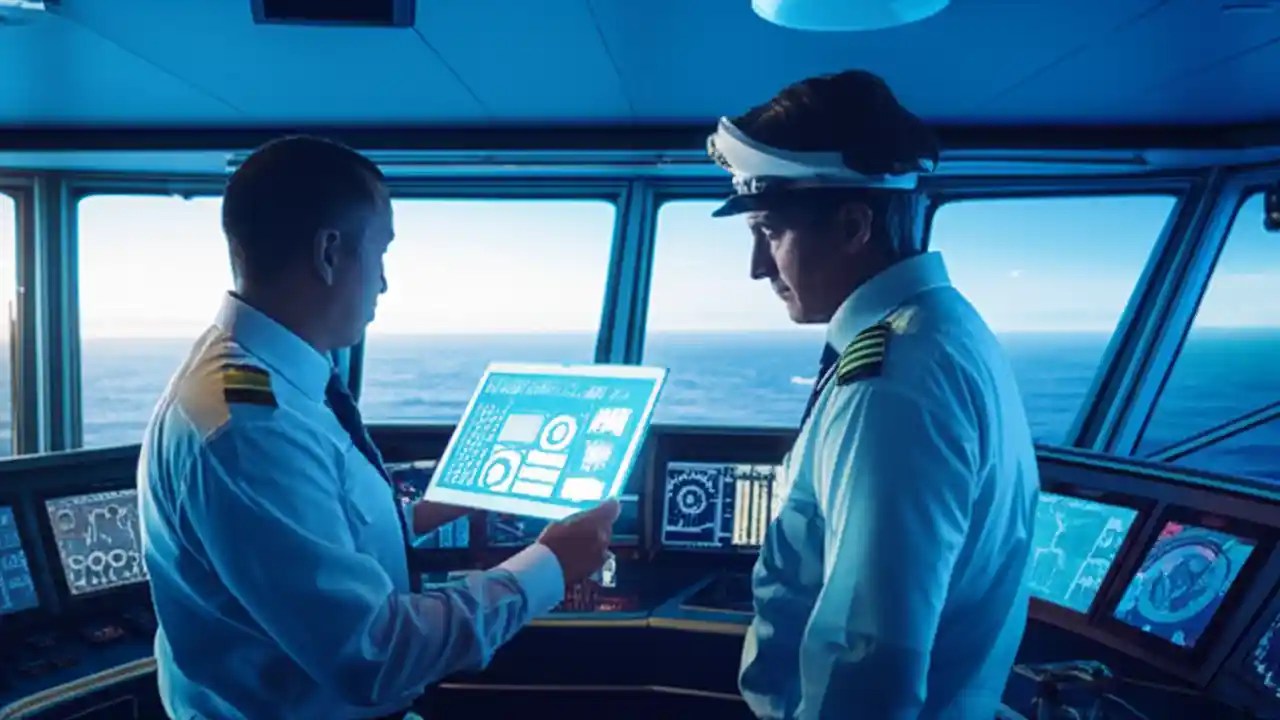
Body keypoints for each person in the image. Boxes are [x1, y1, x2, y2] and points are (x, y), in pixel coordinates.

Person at [137, 136, 620, 720]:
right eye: (382, 252)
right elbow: (372, 653)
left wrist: (430, 509)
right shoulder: (247, 428)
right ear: (329, 253)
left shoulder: (272, 390)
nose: (384, 283)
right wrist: (550, 565)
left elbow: (321, 533)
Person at [708, 71, 1040, 718]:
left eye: (770, 233)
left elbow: (870, 657)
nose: (756, 267)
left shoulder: (892, 383)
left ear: (855, 225)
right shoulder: (944, 328)